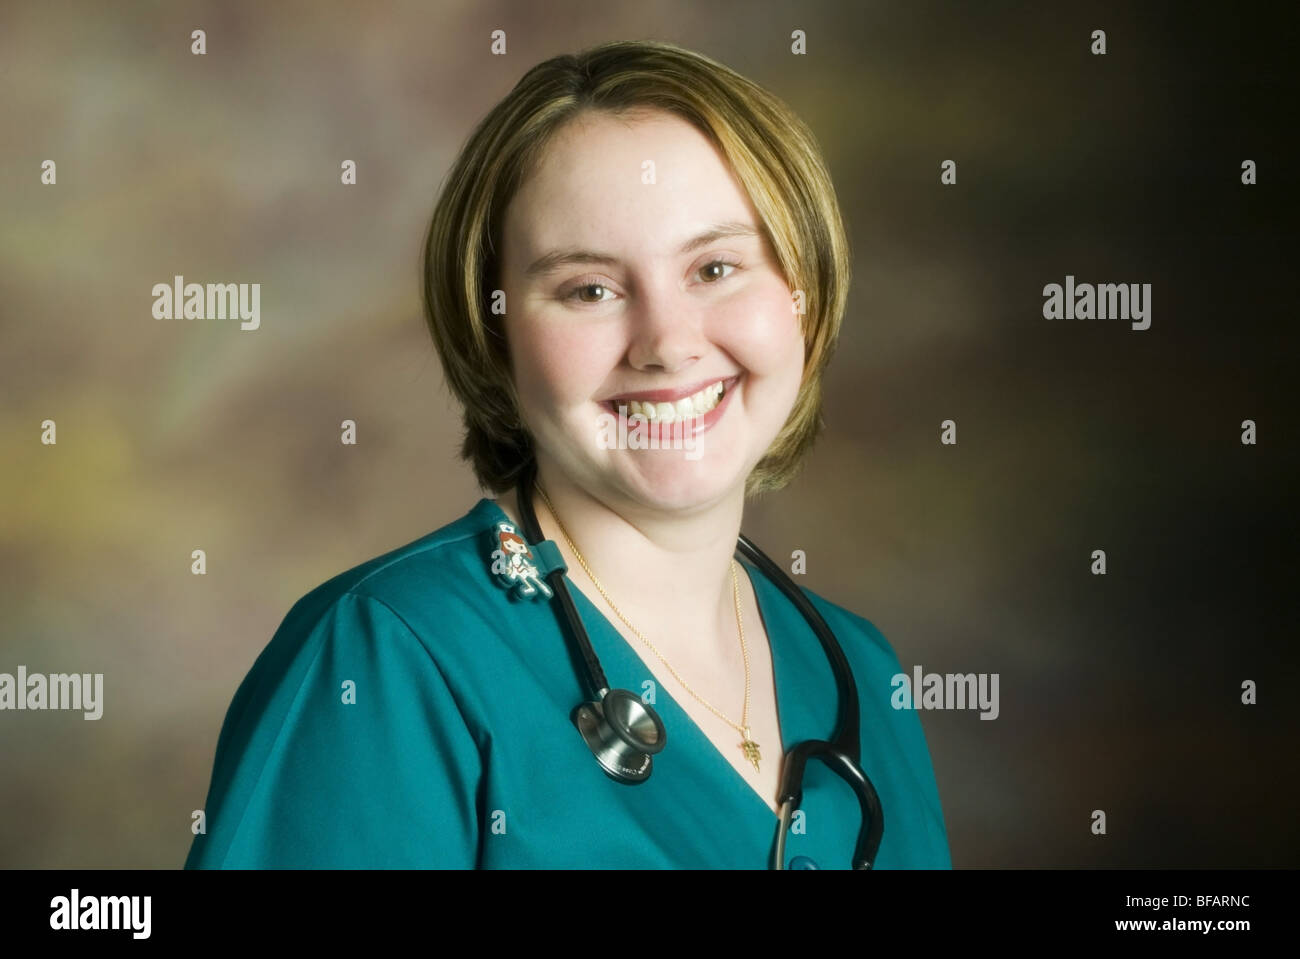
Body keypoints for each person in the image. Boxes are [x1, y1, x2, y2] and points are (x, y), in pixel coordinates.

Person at [185, 39, 951, 870]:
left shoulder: (861, 673)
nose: (666, 343)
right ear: (496, 336)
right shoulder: (383, 660)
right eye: (589, 289)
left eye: (717, 267)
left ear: (804, 292)